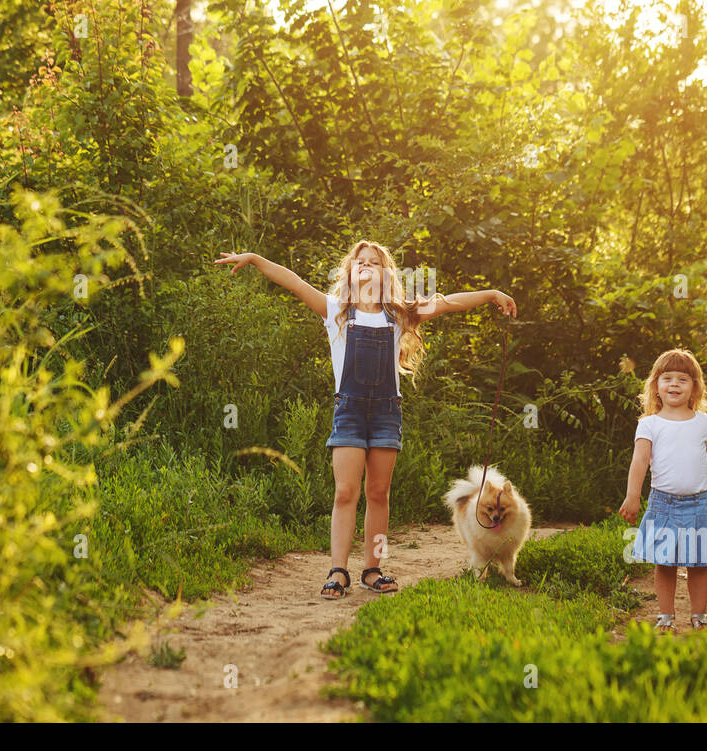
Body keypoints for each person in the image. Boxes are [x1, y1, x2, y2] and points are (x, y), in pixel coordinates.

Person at [215, 241, 517, 598]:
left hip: (387, 412)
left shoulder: (400, 314)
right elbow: (293, 281)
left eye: (375, 263)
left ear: (386, 273)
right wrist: (254, 258)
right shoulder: (337, 310)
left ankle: (373, 570)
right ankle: (337, 571)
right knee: (346, 493)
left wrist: (492, 294)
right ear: (350, 271)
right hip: (350, 412)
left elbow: (449, 301)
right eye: (361, 262)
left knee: (378, 494)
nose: (367, 267)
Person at [618, 348, 707, 632]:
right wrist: (633, 496)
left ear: (694, 387)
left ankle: (698, 616)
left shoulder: (702, 422)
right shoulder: (649, 424)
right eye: (667, 378)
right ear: (656, 386)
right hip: (663, 504)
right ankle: (666, 617)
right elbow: (640, 461)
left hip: (700, 504)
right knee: (665, 563)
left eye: (682, 379)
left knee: (699, 565)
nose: (674, 384)